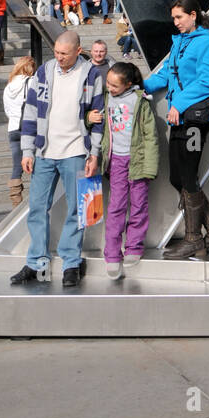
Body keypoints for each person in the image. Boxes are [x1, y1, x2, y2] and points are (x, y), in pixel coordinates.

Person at [10, 32, 104, 287]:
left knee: (78, 209)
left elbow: (98, 117)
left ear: (78, 51)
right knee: (37, 207)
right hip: (44, 152)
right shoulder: (44, 71)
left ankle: (71, 263)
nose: (59, 57)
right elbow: (30, 111)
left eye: (64, 53)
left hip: (76, 151)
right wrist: (27, 150)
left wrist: (93, 153)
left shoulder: (92, 75)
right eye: (56, 52)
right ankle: (37, 262)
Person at [143, 0, 209, 259]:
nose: (176, 22)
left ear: (194, 15)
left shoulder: (206, 42)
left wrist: (177, 105)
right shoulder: (180, 41)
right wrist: (138, 84)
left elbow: (206, 82)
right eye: (174, 18)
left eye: (180, 17)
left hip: (195, 119)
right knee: (177, 178)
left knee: (188, 176)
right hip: (180, 118)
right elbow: (167, 75)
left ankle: (194, 239)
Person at [93, 61, 159, 277]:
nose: (110, 88)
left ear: (128, 84)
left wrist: (150, 166)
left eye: (115, 86)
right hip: (116, 161)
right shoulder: (104, 98)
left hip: (137, 160)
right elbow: (91, 121)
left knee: (139, 204)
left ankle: (134, 247)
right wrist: (88, 118)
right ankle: (112, 254)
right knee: (116, 207)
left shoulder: (139, 101)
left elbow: (151, 136)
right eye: (108, 84)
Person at [3, 56, 36, 206]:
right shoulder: (31, 82)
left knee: (17, 166)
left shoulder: (9, 86)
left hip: (13, 128)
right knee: (36, 163)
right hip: (28, 128)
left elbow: (7, 110)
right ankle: (36, 198)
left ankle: (15, 200)